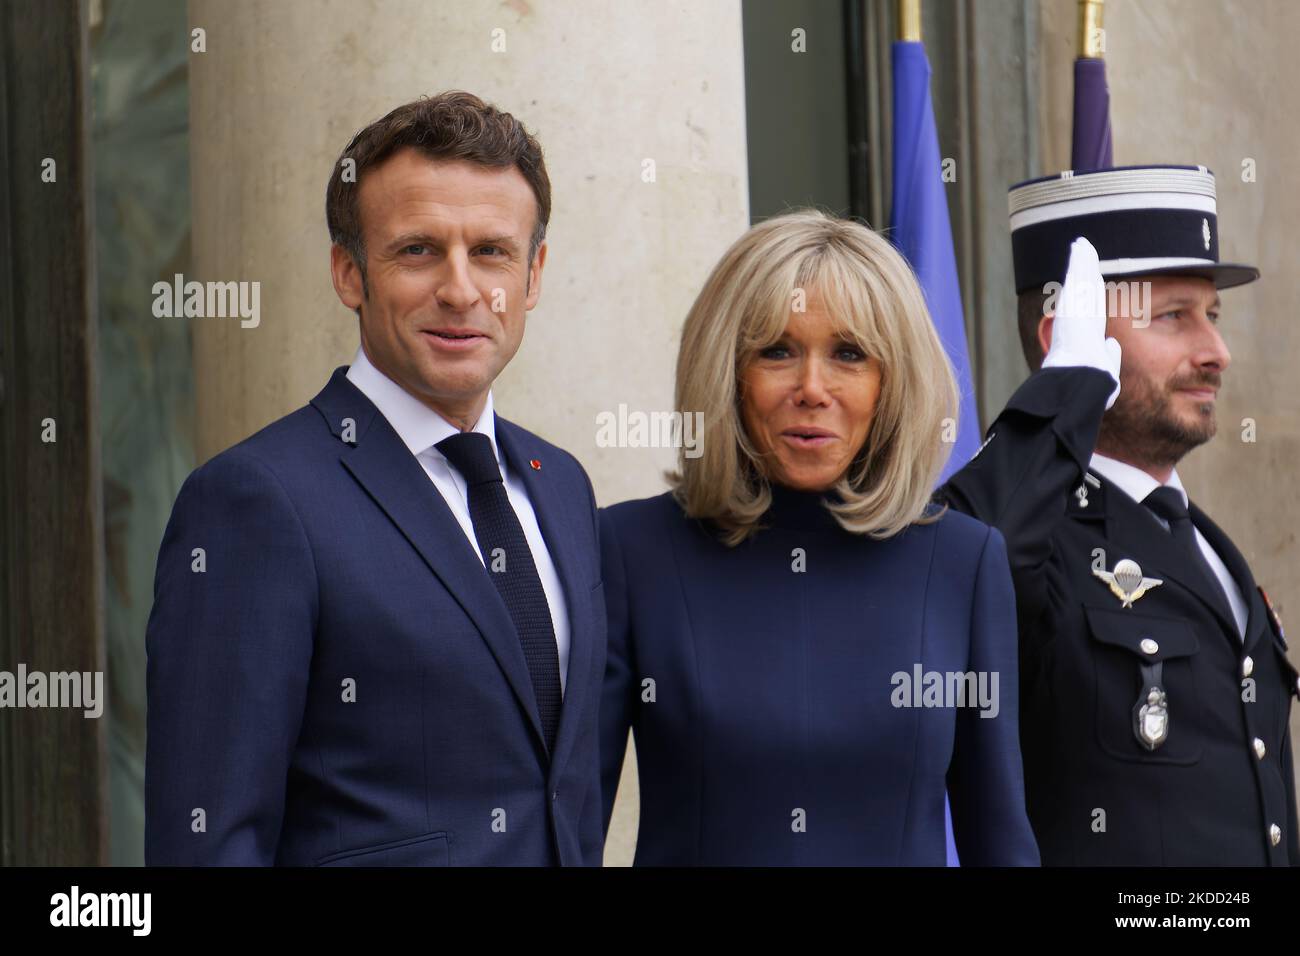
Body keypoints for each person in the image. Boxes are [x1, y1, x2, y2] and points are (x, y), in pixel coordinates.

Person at [145, 92, 606, 866]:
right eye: (419, 250)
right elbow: (208, 842)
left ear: (533, 276)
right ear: (349, 273)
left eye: (491, 251)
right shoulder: (255, 502)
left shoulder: (559, 485)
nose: (461, 291)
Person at [598, 209, 1039, 865]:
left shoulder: (962, 564)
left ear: (893, 384)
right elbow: (569, 829)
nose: (812, 389)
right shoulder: (630, 550)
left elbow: (999, 841)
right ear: (727, 371)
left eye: (849, 354)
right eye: (777, 351)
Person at [940, 164, 1299, 865]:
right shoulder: (1033, 539)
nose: (1216, 352)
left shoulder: (1208, 547)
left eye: (1213, 316)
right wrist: (1062, 398)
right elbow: (971, 564)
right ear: (1063, 338)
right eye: (1174, 316)